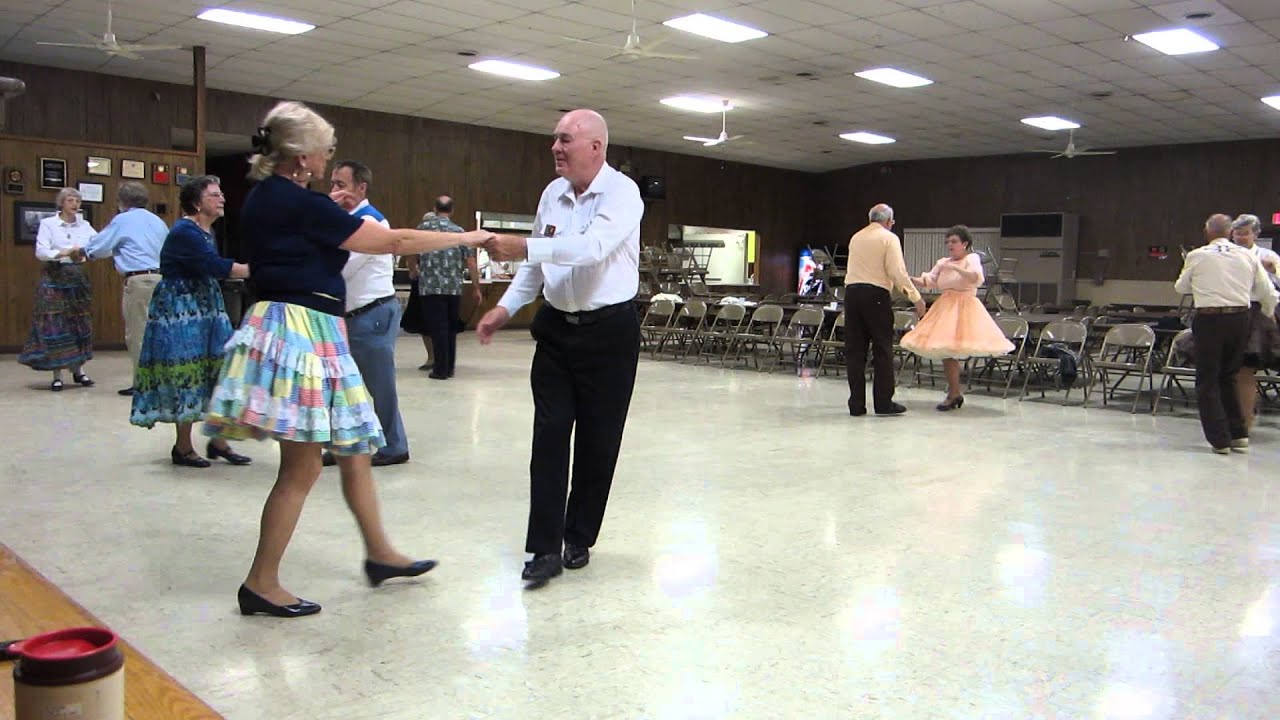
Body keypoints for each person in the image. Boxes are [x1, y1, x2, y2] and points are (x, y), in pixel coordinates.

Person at [202, 100, 490, 618]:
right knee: (303, 466)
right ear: (300, 156)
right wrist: (468, 236)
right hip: (300, 331)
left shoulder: (268, 198)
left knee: (354, 451)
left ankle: (379, 553)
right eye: (324, 149)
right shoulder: (298, 203)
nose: (329, 156)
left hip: (303, 327)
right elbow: (391, 240)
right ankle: (261, 581)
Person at [477, 109, 642, 585]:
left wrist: (524, 248)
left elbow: (591, 249)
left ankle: (579, 536)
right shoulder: (552, 194)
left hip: (609, 333)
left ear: (596, 147)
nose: (555, 148)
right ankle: (544, 547)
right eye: (554, 139)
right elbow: (537, 263)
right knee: (548, 437)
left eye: (565, 139)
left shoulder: (623, 193)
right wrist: (505, 308)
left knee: (598, 439)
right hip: (555, 332)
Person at [129, 175, 253, 468]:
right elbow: (214, 266)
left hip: (203, 307)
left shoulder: (203, 232)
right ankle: (182, 447)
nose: (222, 198)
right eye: (214, 195)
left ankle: (219, 441)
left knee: (216, 369)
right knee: (188, 371)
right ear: (197, 203)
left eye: (221, 193)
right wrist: (257, 270)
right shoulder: (186, 231)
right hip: (181, 311)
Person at [321, 160, 410, 467]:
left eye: (341, 185)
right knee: (343, 386)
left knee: (379, 384)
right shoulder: (347, 222)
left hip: (370, 315)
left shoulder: (369, 224)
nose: (334, 191)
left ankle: (395, 444)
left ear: (361, 188)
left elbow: (338, 270)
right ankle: (344, 443)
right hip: (350, 316)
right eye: (332, 184)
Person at [1174, 214, 1278, 454]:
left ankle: (1220, 440)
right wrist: (1269, 313)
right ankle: (1239, 434)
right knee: (1229, 376)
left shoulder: (1197, 255)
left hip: (1210, 318)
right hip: (1241, 319)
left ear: (1207, 232)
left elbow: (1181, 287)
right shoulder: (1247, 256)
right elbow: (1267, 291)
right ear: (1231, 231)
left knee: (1208, 378)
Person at [900, 225, 1014, 410]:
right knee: (946, 351)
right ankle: (954, 392)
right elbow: (929, 281)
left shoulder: (972, 259)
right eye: (948, 242)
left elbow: (976, 278)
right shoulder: (943, 262)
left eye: (954, 241)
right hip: (945, 306)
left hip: (965, 306)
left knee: (952, 350)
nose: (950, 245)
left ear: (965, 244)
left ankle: (954, 393)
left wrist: (954, 267)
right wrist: (908, 278)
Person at [83, 181, 169, 396]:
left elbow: (98, 248)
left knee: (138, 334)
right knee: (160, 331)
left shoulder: (123, 220)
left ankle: (143, 383)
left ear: (121, 201)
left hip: (139, 281)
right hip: (163, 279)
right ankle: (162, 379)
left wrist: (83, 251)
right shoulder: (157, 221)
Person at [843, 203, 926, 416]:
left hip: (851, 294)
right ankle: (883, 403)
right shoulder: (889, 238)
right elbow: (896, 272)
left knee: (855, 351)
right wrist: (916, 298)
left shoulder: (856, 237)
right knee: (882, 348)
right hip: (875, 296)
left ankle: (856, 404)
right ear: (889, 221)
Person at [19, 187, 96, 391]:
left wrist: (84, 253)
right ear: (61, 203)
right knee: (55, 323)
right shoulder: (49, 224)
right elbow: (41, 251)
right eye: (70, 200)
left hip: (77, 277)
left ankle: (78, 370)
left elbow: (96, 245)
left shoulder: (85, 225)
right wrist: (61, 252)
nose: (75, 205)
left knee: (79, 322)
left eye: (78, 201)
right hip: (55, 275)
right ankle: (57, 373)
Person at [412, 195, 482, 380]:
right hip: (453, 288)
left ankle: (440, 369)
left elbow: (410, 252)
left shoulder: (423, 230)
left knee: (437, 329)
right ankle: (449, 366)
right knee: (451, 328)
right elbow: (471, 262)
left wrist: (414, 270)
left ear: (434, 209)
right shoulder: (459, 233)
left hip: (430, 288)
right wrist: (476, 287)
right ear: (451, 211)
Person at [1230, 214, 1280, 432]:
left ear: (1256, 234)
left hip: (1257, 312)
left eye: (1245, 233)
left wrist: (1271, 271)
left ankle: (1245, 421)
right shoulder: (1227, 254)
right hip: (1230, 310)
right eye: (1237, 233)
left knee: (1246, 368)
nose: (1240, 237)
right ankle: (1232, 416)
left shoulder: (1268, 255)